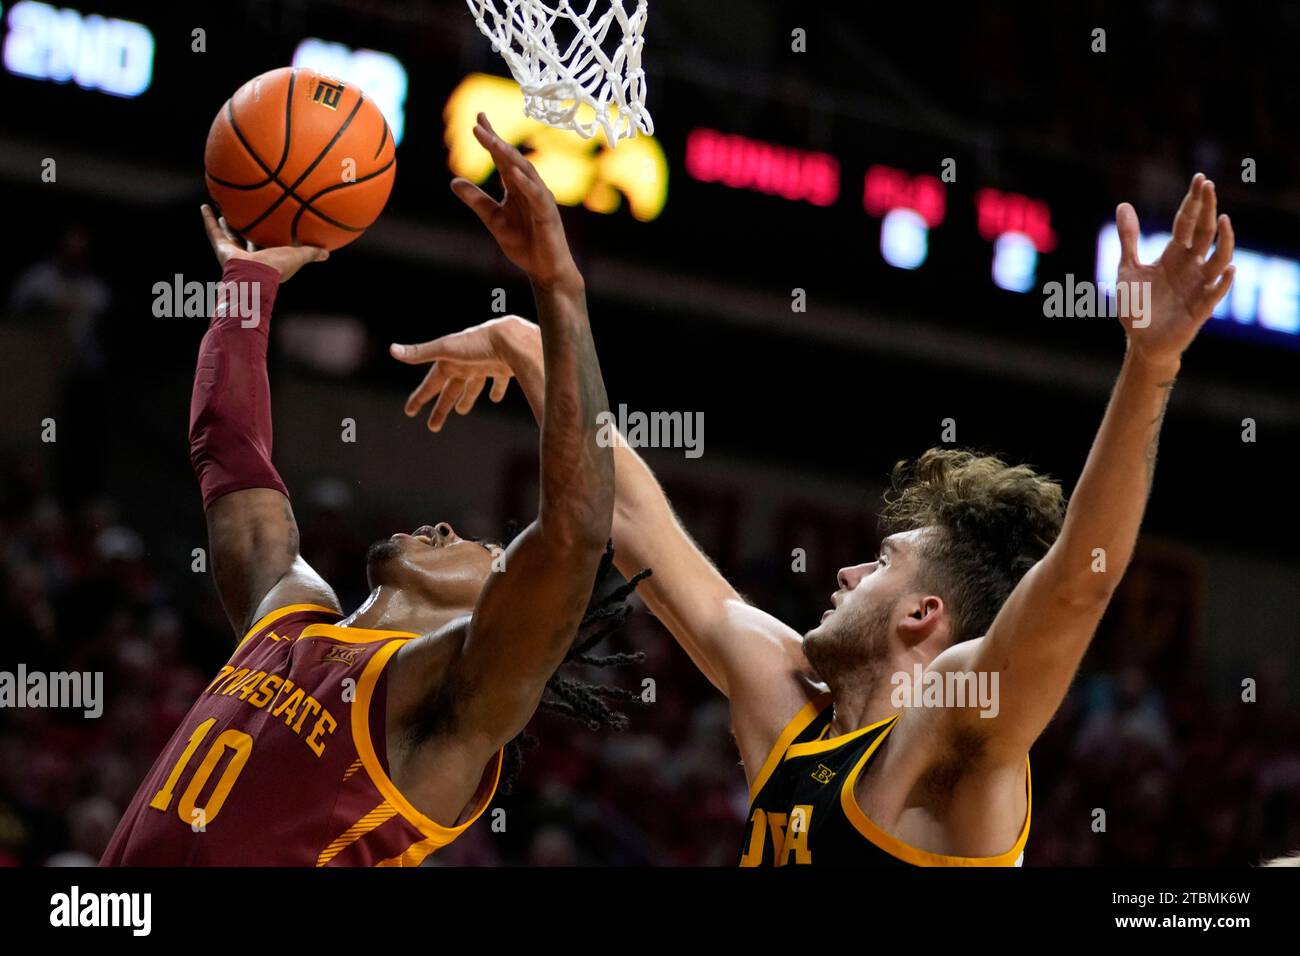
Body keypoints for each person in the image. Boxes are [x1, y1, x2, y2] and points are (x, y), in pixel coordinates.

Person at [393, 174, 1235, 866]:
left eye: (882, 561)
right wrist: (542, 325)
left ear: (923, 615)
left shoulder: (948, 735)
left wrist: (1150, 365)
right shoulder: (789, 709)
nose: (847, 573)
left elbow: (1078, 588)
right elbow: (635, 517)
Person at [102, 114, 623, 866]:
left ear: (501, 603)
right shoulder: (287, 614)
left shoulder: (449, 701)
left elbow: (572, 539)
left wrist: (557, 287)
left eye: (485, 547)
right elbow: (228, 452)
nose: (447, 528)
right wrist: (250, 286)